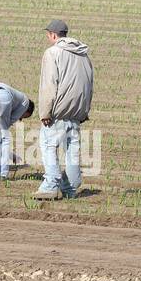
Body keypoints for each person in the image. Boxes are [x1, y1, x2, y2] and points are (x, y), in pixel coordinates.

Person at [35, 19, 93, 200]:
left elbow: (49, 84)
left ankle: (50, 185)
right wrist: (83, 112)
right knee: (72, 151)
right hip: (77, 113)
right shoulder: (83, 55)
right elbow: (89, 84)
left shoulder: (53, 53)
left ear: (53, 35)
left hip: (58, 112)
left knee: (48, 146)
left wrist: (45, 111)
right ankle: (70, 188)